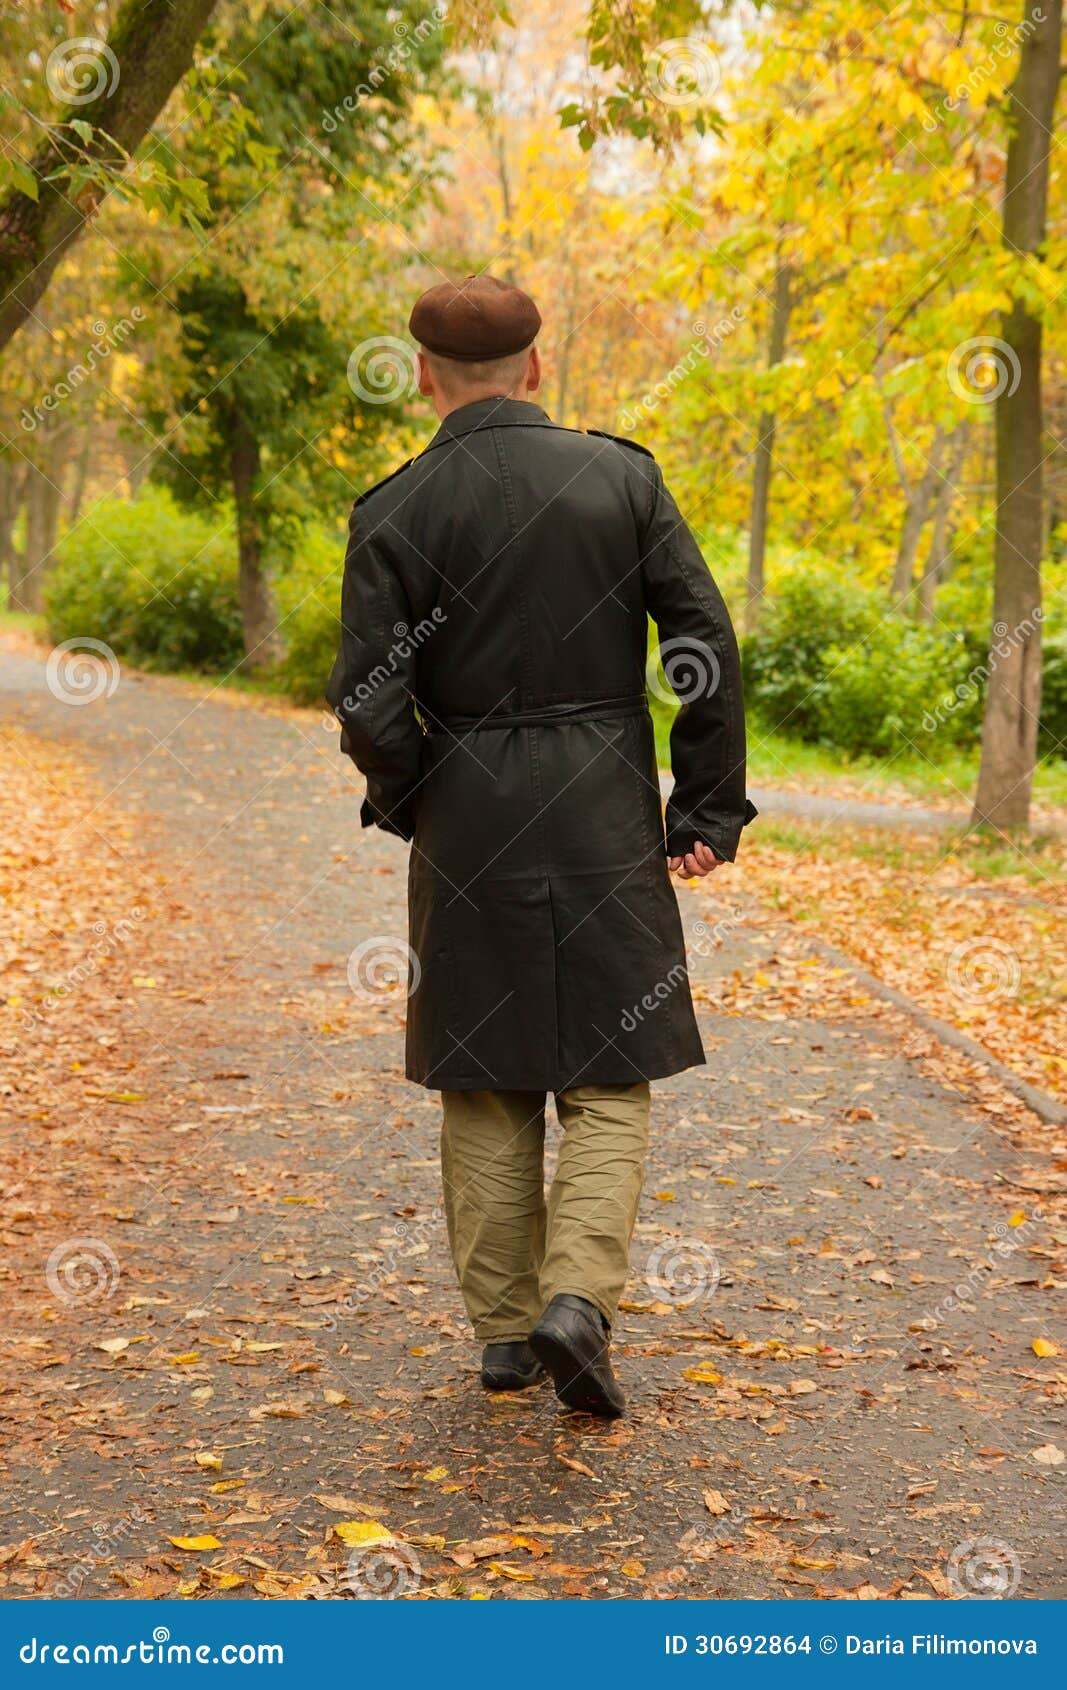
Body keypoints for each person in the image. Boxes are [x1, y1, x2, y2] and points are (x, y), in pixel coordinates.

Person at [328, 273, 753, 1418]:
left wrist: (426, 798)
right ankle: (577, 1298)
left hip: (467, 808)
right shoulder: (620, 478)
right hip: (603, 804)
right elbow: (700, 640)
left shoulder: (394, 510)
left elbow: (368, 701)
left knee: (485, 1075)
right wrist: (704, 802)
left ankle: (508, 1336)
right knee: (608, 1078)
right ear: (536, 364)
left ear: (422, 374)